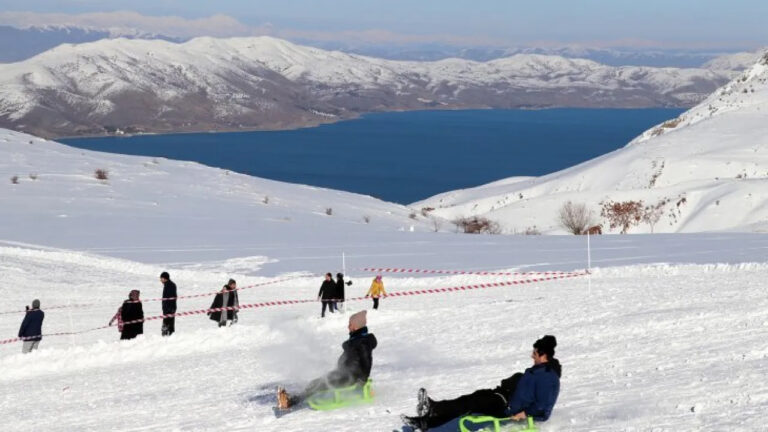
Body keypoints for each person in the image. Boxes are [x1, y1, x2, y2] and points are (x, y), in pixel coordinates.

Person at [402, 335, 561, 431]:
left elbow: (543, 405)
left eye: (534, 353)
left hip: (508, 407)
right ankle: (424, 422)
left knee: (471, 402)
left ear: (543, 355)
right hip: (503, 397)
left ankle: (433, 409)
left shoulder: (547, 377)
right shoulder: (540, 371)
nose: (532, 355)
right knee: (468, 402)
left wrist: (525, 414)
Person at [277, 310, 377, 409]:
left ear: (356, 327)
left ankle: (291, 402)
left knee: (321, 385)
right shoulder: (356, 340)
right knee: (315, 382)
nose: (348, 327)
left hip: (352, 377)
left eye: (350, 324)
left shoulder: (362, 343)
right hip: (343, 373)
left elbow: (367, 361)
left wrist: (363, 380)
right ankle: (294, 398)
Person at [160, 271, 177, 336]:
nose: (160, 280)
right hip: (170, 308)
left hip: (169, 308)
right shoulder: (169, 284)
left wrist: (167, 308)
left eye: (161, 278)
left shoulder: (169, 285)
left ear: (165, 278)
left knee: (167, 324)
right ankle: (169, 335)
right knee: (170, 323)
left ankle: (167, 336)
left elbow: (170, 298)